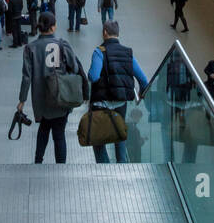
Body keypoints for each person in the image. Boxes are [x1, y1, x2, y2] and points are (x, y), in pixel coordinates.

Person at [18, 11, 87, 164]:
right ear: (53, 27)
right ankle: (60, 165)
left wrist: (22, 100)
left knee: (43, 130)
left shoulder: (30, 48)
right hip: (60, 96)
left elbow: (26, 76)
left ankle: (38, 162)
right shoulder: (62, 44)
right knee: (59, 134)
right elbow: (75, 67)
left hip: (41, 99)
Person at [87, 21, 148, 164]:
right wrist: (140, 94)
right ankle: (122, 168)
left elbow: (94, 76)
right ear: (118, 33)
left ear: (105, 32)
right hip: (120, 103)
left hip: (101, 104)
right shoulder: (128, 53)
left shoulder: (99, 51)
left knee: (99, 141)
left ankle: (105, 168)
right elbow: (143, 80)